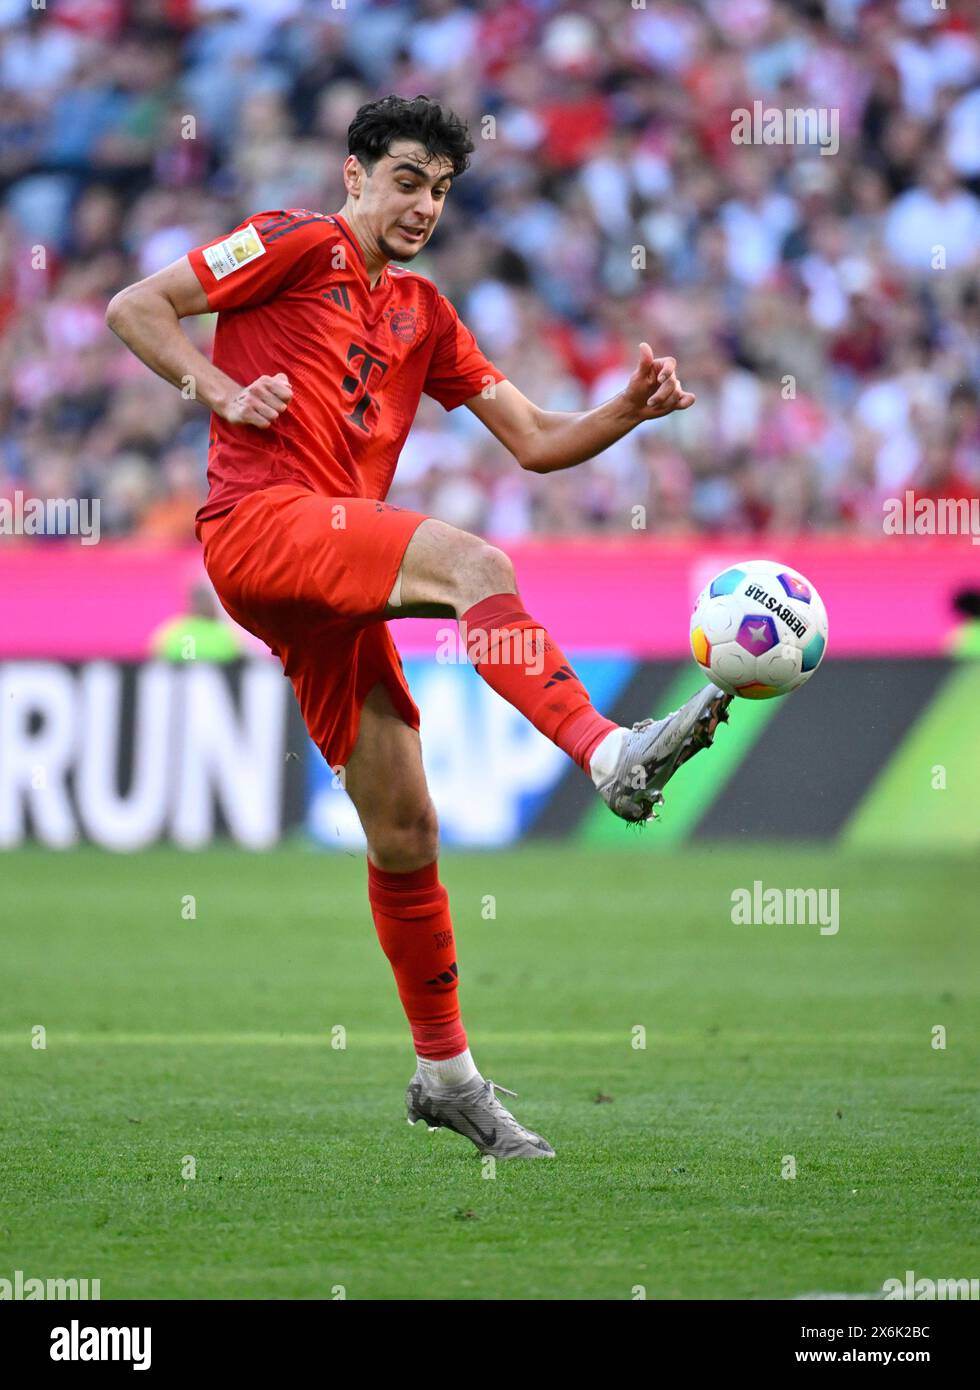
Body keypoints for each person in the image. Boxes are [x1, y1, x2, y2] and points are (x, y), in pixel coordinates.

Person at [106, 94, 730, 1160]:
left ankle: (447, 1078)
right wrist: (216, 389)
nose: (422, 205)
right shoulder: (294, 241)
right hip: (260, 527)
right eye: (404, 179)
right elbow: (136, 306)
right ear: (353, 174)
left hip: (328, 578)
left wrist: (626, 409)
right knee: (472, 563)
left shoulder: (425, 314)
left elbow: (532, 440)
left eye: (439, 189)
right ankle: (608, 752)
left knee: (405, 831)